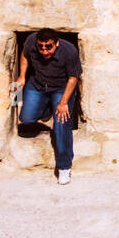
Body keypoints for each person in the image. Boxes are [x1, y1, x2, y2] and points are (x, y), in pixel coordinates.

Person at [15, 29, 82, 184]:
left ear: (56, 43)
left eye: (48, 47)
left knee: (61, 121)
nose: (44, 50)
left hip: (61, 88)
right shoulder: (31, 41)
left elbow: (73, 78)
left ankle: (64, 167)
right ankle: (47, 110)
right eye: (41, 47)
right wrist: (21, 76)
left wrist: (64, 102)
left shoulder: (69, 51)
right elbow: (24, 55)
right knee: (25, 118)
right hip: (37, 84)